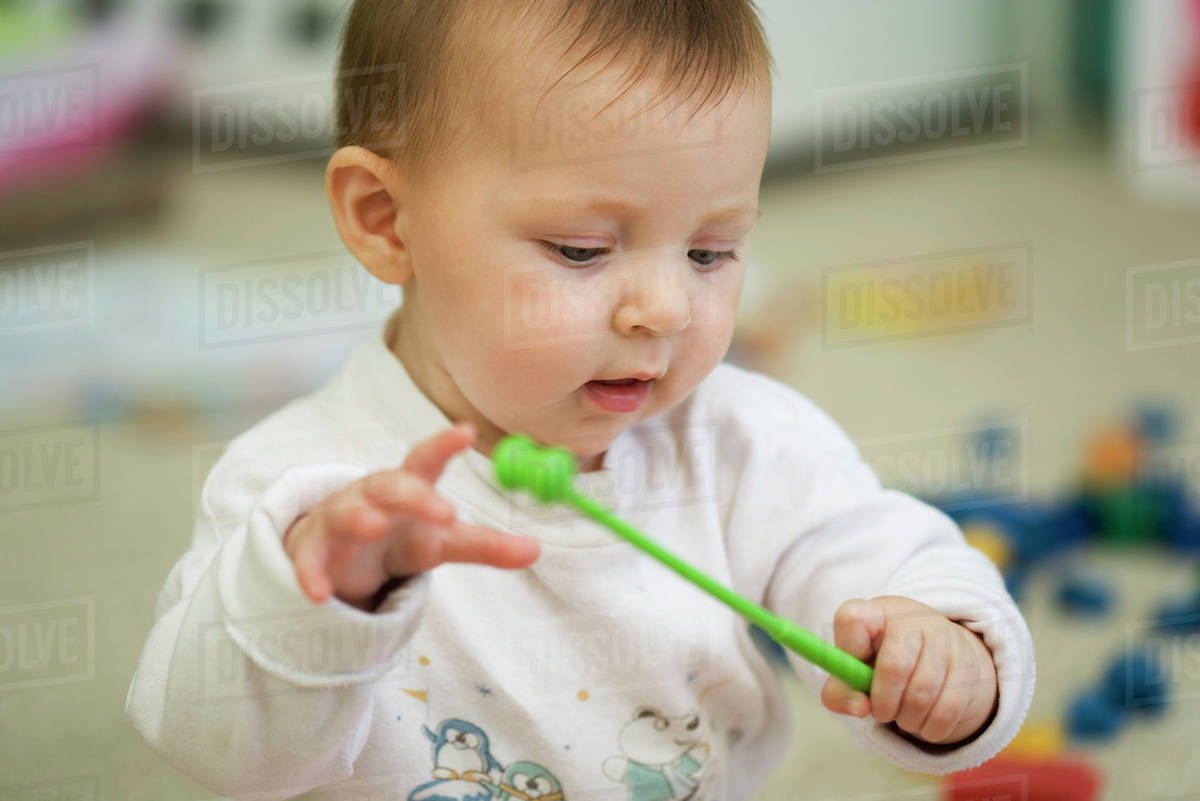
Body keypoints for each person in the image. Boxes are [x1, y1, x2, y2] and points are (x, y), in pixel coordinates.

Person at [126, 2, 1034, 799]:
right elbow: (218, 752)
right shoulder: (301, 493)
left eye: (710, 252)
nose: (666, 309)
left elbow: (879, 559)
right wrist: (319, 596)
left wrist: (944, 650)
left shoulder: (741, 440)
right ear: (383, 218)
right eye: (581, 249)